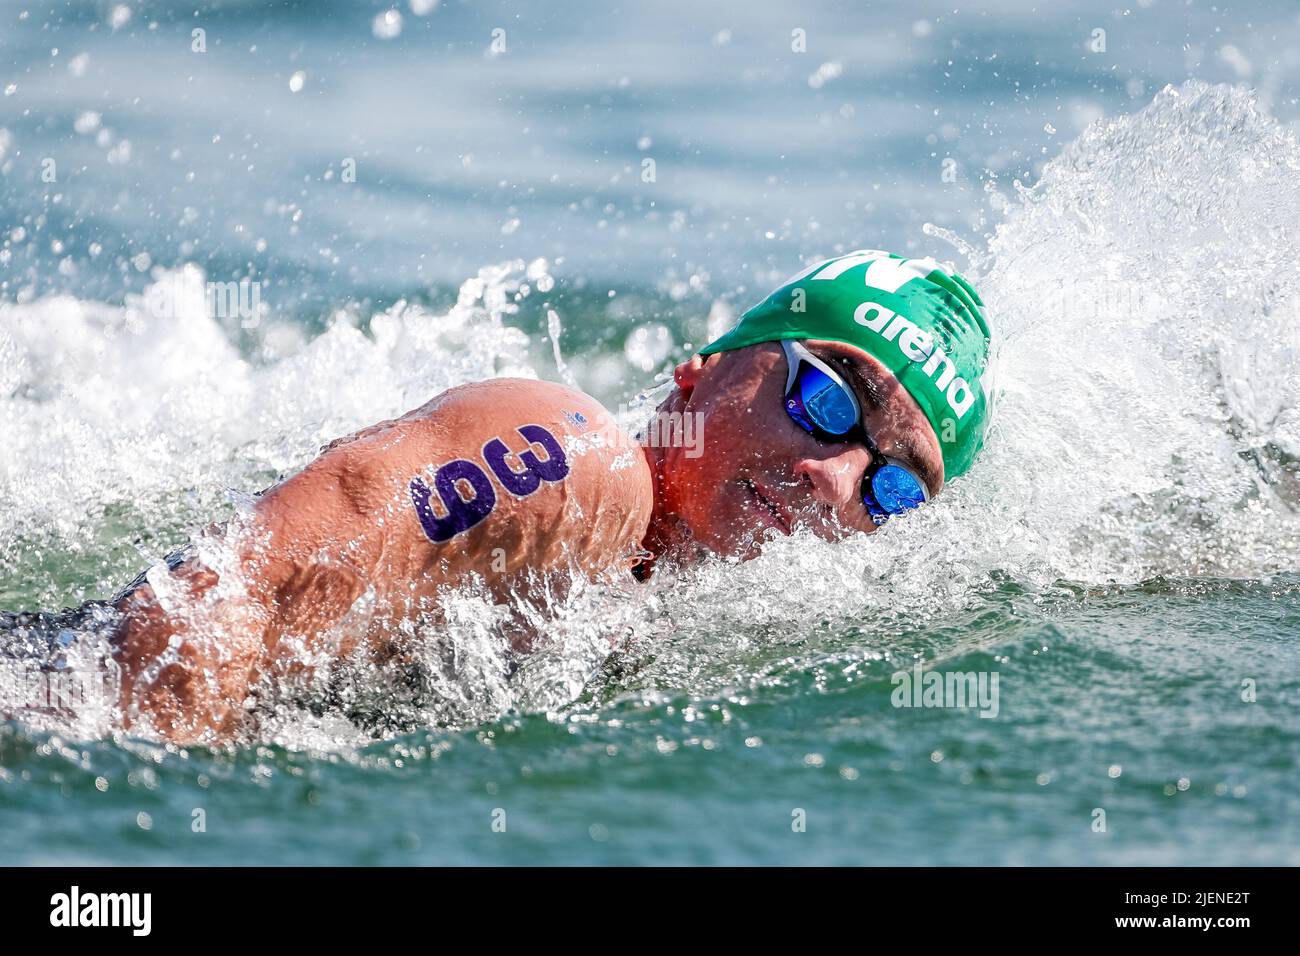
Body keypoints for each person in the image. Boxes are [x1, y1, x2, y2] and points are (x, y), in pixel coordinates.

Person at [2, 250, 992, 743]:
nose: (835, 474)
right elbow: (224, 590)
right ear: (700, 372)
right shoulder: (577, 463)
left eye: (893, 482)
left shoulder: (688, 613)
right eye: (823, 396)